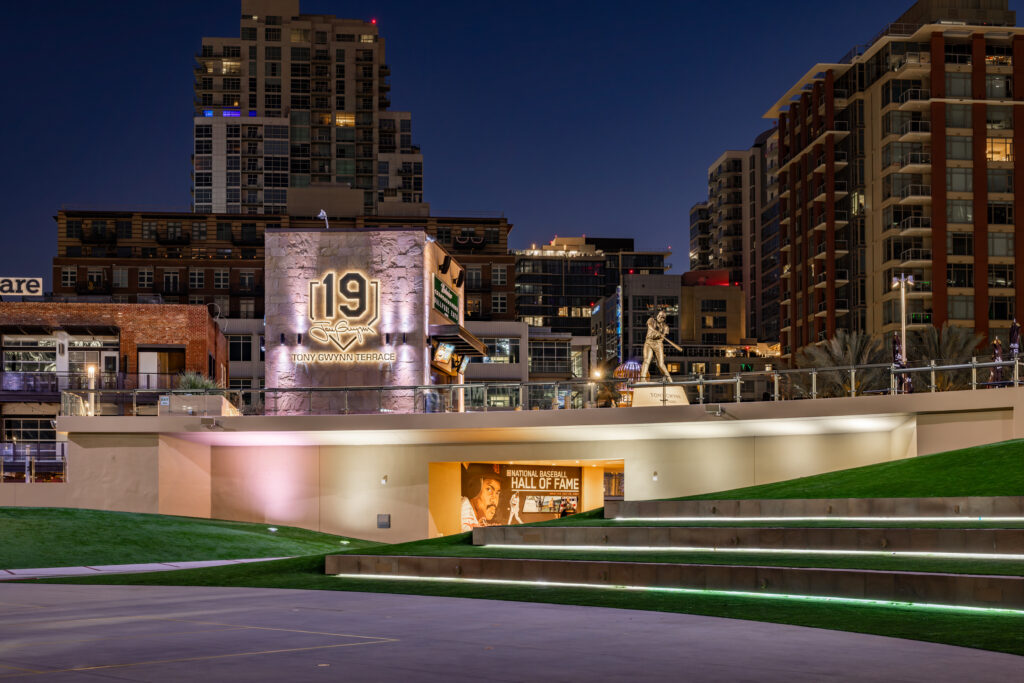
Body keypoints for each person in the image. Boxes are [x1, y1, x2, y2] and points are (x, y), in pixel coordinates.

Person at [640, 310, 673, 382]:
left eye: (662, 317)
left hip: (658, 344)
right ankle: (642, 379)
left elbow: (662, 338)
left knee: (661, 364)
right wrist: (657, 332)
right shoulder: (651, 320)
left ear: (664, 319)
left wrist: (662, 335)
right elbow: (650, 327)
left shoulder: (666, 327)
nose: (659, 317)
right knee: (646, 361)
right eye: (659, 315)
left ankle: (669, 379)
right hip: (649, 342)